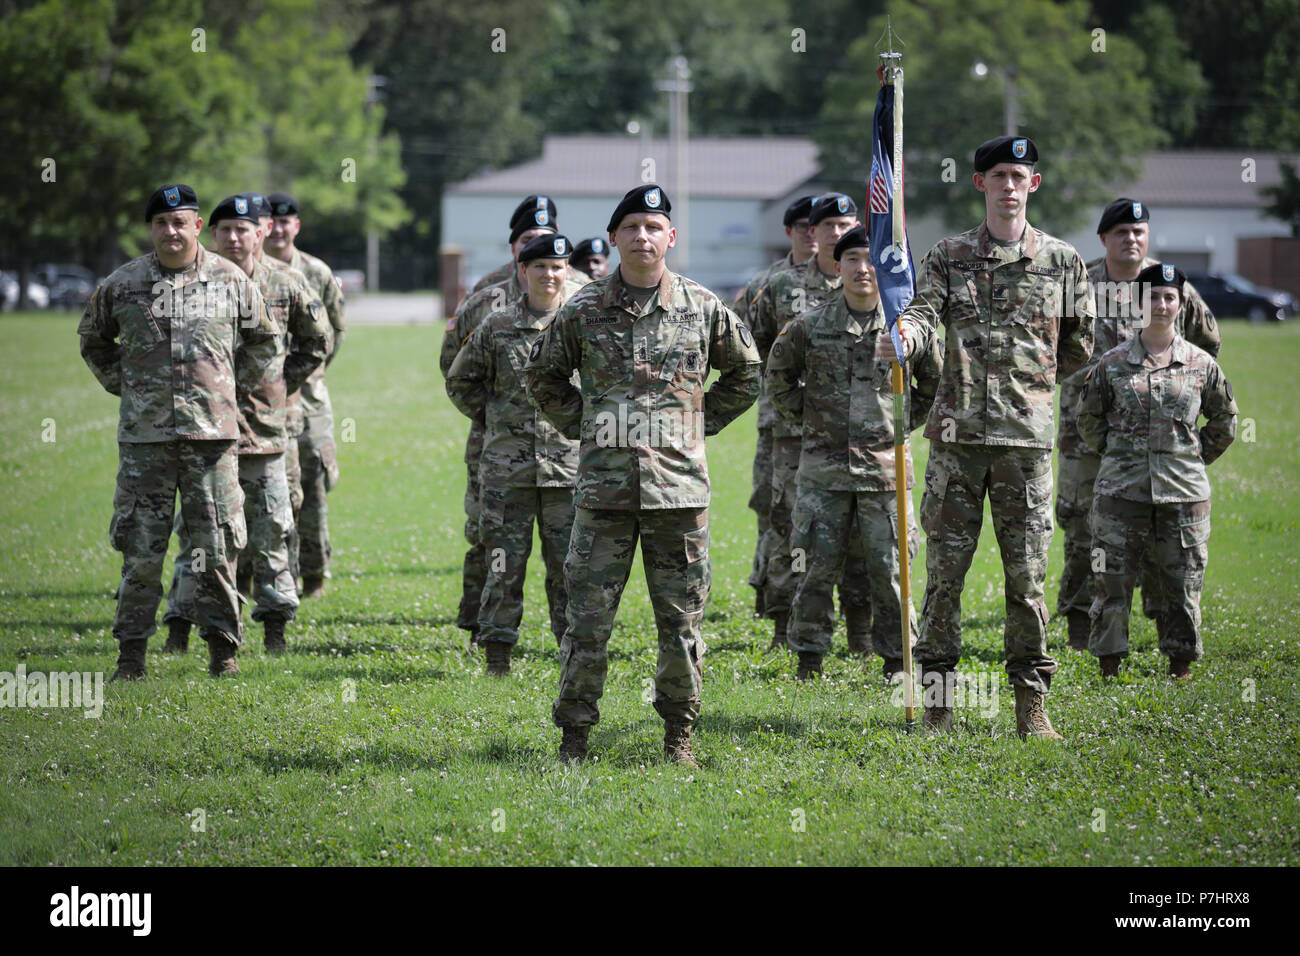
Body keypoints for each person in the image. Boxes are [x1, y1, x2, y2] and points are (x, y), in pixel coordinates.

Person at [523, 184, 760, 767]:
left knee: (681, 625)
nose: (642, 236)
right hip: (603, 494)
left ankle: (679, 734)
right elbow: (543, 377)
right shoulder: (582, 309)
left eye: (653, 226)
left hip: (678, 497)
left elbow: (748, 373)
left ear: (670, 237)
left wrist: (697, 425)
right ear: (614, 238)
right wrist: (587, 425)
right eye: (631, 227)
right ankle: (574, 737)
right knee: (587, 625)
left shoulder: (701, 307)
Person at [895, 136, 1094, 738]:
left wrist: (1025, 395)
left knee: (1026, 580)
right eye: (998, 175)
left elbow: (1078, 348)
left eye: (1019, 175)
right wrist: (907, 332)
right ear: (979, 183)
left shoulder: (1062, 262)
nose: (1009, 185)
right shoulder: (948, 255)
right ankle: (937, 706)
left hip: (1025, 448)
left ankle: (1031, 705)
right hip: (955, 444)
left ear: (1033, 184)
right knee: (944, 578)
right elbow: (925, 312)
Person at [78, 184, 279, 678]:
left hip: (212, 441)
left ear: (195, 227)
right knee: (140, 552)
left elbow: (265, 341)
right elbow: (93, 340)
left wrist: (228, 389)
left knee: (214, 550)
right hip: (145, 443)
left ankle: (223, 653)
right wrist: (130, 390)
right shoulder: (122, 285)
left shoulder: (231, 281)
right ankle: (131, 657)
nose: (170, 231)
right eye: (161, 223)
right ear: (152, 229)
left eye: (180, 221)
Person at [766, 226, 942, 680]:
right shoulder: (811, 323)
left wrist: (901, 426)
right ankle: (808, 658)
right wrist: (809, 422)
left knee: (891, 571)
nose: (863, 269)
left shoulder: (904, 329)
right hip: (822, 474)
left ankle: (897, 661)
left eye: (871, 260)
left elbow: (935, 384)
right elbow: (778, 378)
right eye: (853, 260)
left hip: (885, 472)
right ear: (838, 266)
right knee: (813, 569)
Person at [163, 194, 331, 654]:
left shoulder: (288, 283)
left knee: (272, 530)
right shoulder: (190, 284)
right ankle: (179, 625)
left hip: (263, 432)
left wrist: (277, 384)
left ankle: (274, 628)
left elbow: (318, 343)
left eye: (244, 229)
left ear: (261, 233)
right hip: (203, 433)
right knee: (199, 533)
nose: (234, 238)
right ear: (211, 234)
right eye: (225, 230)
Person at [1056, 198, 1221, 648]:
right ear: (1104, 238)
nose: (1131, 239)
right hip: (1083, 436)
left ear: (1147, 236)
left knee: (1160, 529)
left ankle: (1158, 624)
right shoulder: (1080, 286)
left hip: (1157, 440)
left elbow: (1207, 345)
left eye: (1138, 231)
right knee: (1082, 530)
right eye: (1121, 232)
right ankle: (1077, 628)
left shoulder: (1170, 288)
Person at [1076, 263, 1237, 678]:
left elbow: (1225, 422)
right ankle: (1109, 662)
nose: (1162, 304)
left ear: (1180, 305)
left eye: (1170, 297)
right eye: (1153, 297)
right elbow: (1089, 421)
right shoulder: (1111, 364)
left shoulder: (1202, 365)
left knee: (1182, 583)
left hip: (1184, 495)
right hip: (1120, 493)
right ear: (1138, 303)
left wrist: (1191, 458)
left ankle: (1180, 662)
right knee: (1112, 580)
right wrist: (1119, 457)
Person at [440, 209, 587, 646]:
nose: (549, 275)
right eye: (539, 266)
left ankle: (571, 648)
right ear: (522, 269)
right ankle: (497, 648)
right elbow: (460, 380)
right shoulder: (496, 324)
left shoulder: (583, 324)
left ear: (568, 271)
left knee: (568, 566)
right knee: (502, 562)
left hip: (568, 469)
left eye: (557, 267)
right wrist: (496, 418)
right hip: (508, 472)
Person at [751, 193, 873, 665]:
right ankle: (785, 625)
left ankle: (860, 630)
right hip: (792, 433)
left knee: (860, 530)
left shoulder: (872, 280)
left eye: (846, 224)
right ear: (812, 232)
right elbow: (756, 348)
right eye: (826, 226)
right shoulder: (781, 286)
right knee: (788, 524)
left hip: (859, 435)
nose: (836, 233)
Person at [733, 194, 818, 619]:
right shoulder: (768, 284)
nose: (813, 231)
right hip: (778, 422)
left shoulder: (856, 278)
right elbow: (741, 346)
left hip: (836, 427)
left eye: (819, 223)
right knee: (774, 509)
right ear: (790, 231)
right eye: (804, 224)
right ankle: (771, 601)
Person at [265, 192, 347, 599]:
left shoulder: (316, 272)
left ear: (296, 226)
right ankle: (259, 573)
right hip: (254, 404)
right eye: (272, 222)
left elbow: (334, 333)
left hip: (309, 402)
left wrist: (303, 379)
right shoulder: (239, 270)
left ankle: (313, 573)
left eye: (286, 221)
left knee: (312, 485)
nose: (278, 229)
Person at [471, 195, 559, 294]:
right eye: (527, 240)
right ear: (513, 247)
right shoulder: (487, 288)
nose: (535, 247)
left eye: (544, 240)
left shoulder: (576, 286)